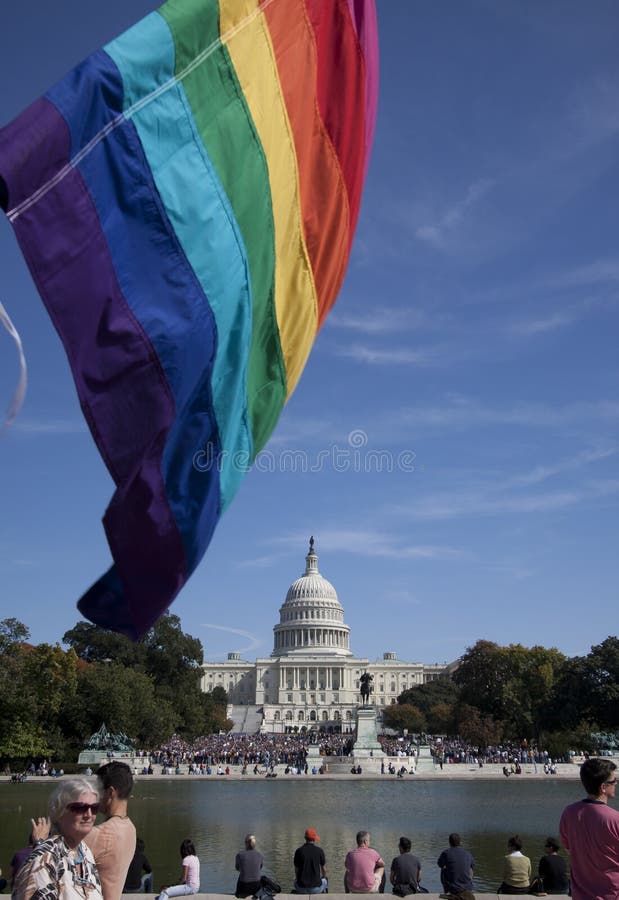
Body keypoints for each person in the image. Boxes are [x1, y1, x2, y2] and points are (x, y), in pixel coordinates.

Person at [12, 776, 104, 900]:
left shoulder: (85, 852)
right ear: (60, 812)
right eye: (80, 808)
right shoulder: (43, 859)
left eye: (94, 808)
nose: (89, 815)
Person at [559, 756, 619, 900]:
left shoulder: (569, 813)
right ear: (603, 787)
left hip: (580, 895)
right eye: (613, 781)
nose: (616, 784)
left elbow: (569, 850)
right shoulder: (615, 819)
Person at [437, 833, 475, 900]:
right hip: (467, 887)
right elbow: (472, 866)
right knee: (470, 868)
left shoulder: (446, 853)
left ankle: (447, 891)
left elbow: (440, 864)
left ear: (449, 842)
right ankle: (468, 889)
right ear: (460, 842)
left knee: (443, 868)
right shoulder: (467, 853)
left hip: (453, 888)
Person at [293, 827, 328, 894]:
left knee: (295, 881)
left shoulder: (298, 851)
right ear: (314, 839)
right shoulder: (319, 851)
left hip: (301, 888)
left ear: (305, 838)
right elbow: (324, 869)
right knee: (325, 880)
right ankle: (323, 893)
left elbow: (296, 870)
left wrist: (297, 879)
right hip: (316, 889)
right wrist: (323, 877)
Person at [235, 833, 263, 898]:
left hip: (244, 888)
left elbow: (237, 868)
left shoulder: (239, 855)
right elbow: (259, 868)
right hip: (256, 888)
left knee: (241, 875)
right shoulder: (260, 855)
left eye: (245, 842)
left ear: (247, 843)